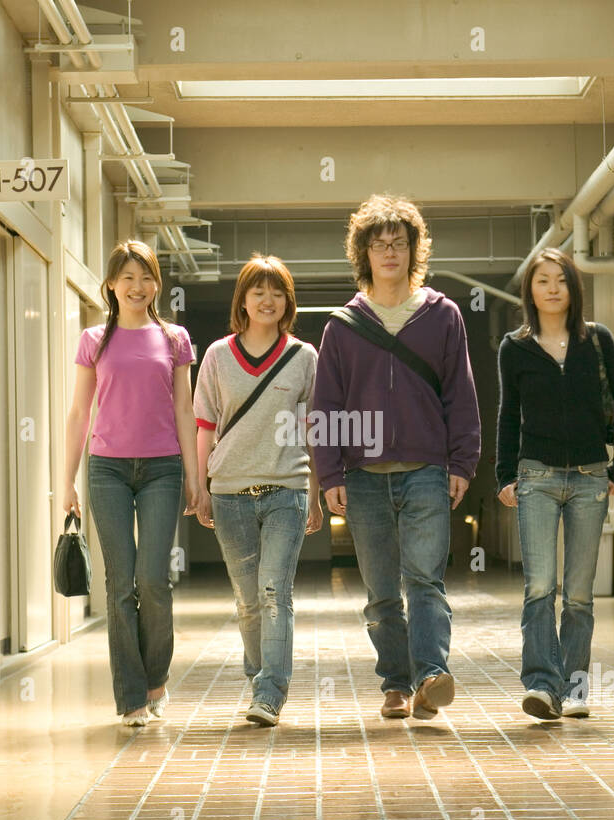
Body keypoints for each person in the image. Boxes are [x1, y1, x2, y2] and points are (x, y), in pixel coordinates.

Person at [313, 194, 481, 720]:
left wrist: (462, 462)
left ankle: (431, 675)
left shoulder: (443, 315)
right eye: (379, 244)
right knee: (381, 590)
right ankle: (395, 681)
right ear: (364, 253)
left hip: (427, 471)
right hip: (362, 478)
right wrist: (330, 471)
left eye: (399, 243)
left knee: (425, 580)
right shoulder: (342, 325)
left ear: (413, 251)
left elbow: (462, 393)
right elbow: (327, 405)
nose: (390, 253)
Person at [63, 239, 199, 728]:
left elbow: (185, 410)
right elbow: (79, 412)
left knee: (152, 581)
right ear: (112, 285)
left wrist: (194, 476)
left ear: (156, 285)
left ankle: (156, 678)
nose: (138, 287)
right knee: (120, 584)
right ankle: (131, 697)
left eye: (146, 278)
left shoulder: (176, 339)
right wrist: (67, 482)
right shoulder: (94, 339)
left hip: (163, 468)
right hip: (107, 471)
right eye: (128, 278)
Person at [496, 248, 614, 720]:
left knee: (578, 592)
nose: (552, 288)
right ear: (530, 291)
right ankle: (541, 685)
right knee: (540, 586)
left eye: (561, 280)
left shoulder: (597, 341)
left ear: (573, 288)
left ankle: (574, 689)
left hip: (591, 478)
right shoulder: (514, 348)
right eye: (542, 281)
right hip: (535, 475)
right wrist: (503, 475)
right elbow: (507, 416)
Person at [193, 255, 322, 727]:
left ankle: (270, 693)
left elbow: (315, 428)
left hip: (286, 490)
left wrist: (318, 487)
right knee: (248, 600)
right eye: (258, 291)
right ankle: (258, 677)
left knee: (273, 592)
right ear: (242, 300)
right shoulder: (216, 356)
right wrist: (201, 485)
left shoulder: (305, 357)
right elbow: (204, 424)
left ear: (288, 301)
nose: (268, 300)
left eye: (277, 292)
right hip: (229, 492)